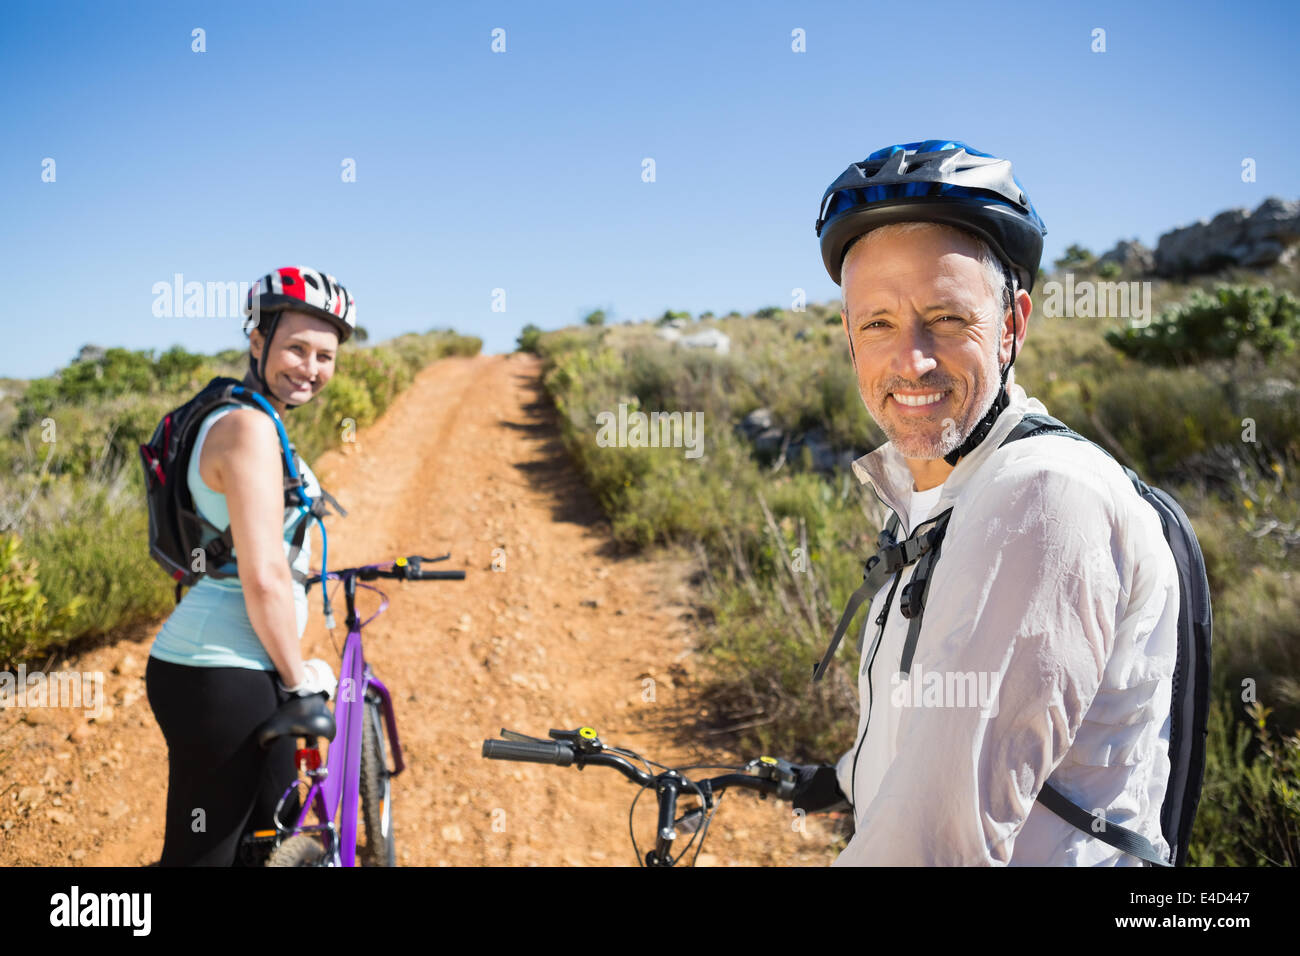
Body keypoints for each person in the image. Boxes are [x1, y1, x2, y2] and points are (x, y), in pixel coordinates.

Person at [790, 141, 1179, 865]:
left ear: (1011, 324)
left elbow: (936, 845)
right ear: (849, 338)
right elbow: (936, 729)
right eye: (876, 322)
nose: (911, 360)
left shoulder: (1040, 498)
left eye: (945, 318)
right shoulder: (940, 491)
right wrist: (832, 780)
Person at [145, 266, 354, 866]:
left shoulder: (249, 416)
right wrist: (297, 679)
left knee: (261, 843)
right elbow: (262, 574)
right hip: (220, 673)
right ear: (257, 341)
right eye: (296, 347)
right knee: (206, 854)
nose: (310, 368)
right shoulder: (249, 428)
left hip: (241, 665)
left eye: (325, 355)